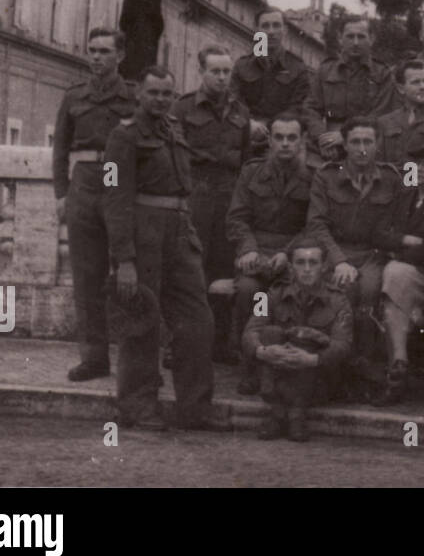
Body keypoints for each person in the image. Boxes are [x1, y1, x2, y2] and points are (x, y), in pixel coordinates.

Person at [103, 67, 227, 431]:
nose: (160, 99)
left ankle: (195, 407)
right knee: (142, 322)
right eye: (154, 92)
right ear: (139, 93)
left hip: (179, 235)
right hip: (144, 237)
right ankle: (137, 406)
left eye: (167, 94)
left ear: (175, 96)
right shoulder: (122, 137)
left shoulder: (174, 130)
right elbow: (114, 197)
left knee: (198, 321)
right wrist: (124, 259)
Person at [53, 27, 137, 382]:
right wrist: (61, 194)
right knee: (87, 275)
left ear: (120, 55)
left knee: (131, 274)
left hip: (118, 180)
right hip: (85, 183)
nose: (96, 57)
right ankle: (94, 358)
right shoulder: (74, 96)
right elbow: (60, 149)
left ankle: (136, 359)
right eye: (92, 50)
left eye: (104, 51)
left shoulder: (134, 97)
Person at [305, 117, 403, 386]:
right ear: (345, 146)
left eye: (368, 142)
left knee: (371, 291)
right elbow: (316, 224)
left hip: (374, 253)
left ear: (378, 145)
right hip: (337, 251)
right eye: (355, 142)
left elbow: (400, 221)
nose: (362, 148)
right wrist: (338, 261)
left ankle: (365, 366)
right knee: (343, 290)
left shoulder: (392, 178)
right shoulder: (326, 176)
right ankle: (335, 368)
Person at [171, 45, 250, 363]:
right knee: (189, 272)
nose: (221, 78)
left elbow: (246, 160)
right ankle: (181, 345)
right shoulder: (182, 108)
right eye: (214, 71)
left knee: (224, 270)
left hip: (229, 200)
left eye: (226, 72)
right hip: (196, 197)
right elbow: (175, 157)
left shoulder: (241, 112)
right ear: (200, 72)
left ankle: (218, 344)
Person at [226, 113, 315, 394]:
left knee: (293, 300)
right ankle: (251, 364)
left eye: (292, 138)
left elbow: (314, 225)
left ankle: (287, 372)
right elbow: (237, 219)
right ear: (270, 141)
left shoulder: (313, 177)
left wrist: (288, 254)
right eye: (279, 137)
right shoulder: (252, 172)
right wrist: (249, 249)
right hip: (256, 255)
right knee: (252, 293)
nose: (285, 144)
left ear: (302, 141)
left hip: (295, 258)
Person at [243, 241, 352, 443]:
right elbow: (251, 330)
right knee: (271, 333)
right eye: (301, 262)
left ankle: (287, 416)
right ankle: (286, 414)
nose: (307, 269)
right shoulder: (272, 293)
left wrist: (312, 359)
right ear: (291, 267)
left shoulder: (339, 300)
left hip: (317, 380)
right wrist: (263, 351)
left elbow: (343, 345)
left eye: (313, 262)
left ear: (324, 266)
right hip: (278, 373)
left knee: (307, 337)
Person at [373, 143, 424, 405]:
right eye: (418, 165)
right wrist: (407, 239)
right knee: (393, 286)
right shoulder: (405, 195)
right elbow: (377, 233)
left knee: (393, 274)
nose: (421, 170)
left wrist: (396, 247)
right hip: (401, 272)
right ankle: (399, 363)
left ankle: (397, 368)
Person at [306, 14, 398, 166]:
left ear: (372, 39)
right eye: (350, 36)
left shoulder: (383, 74)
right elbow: (310, 109)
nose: (355, 42)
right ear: (340, 38)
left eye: (361, 36)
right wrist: (323, 138)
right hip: (328, 146)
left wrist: (346, 135)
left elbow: (382, 114)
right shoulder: (325, 71)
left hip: (367, 143)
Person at [232, 7, 311, 158]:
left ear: (285, 30)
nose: (271, 31)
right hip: (246, 137)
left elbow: (299, 107)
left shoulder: (297, 67)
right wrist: (249, 124)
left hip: (283, 141)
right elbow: (233, 101)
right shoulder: (242, 66)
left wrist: (273, 129)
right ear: (257, 31)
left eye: (276, 25)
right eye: (265, 26)